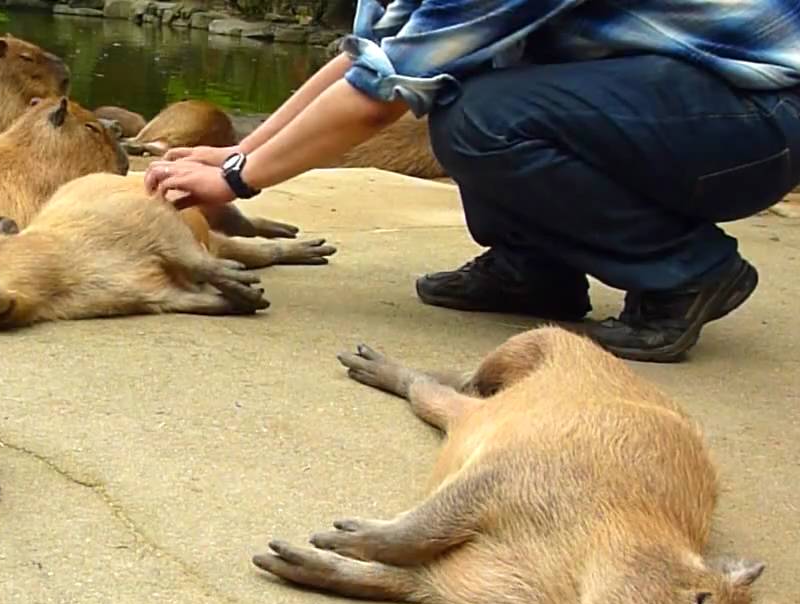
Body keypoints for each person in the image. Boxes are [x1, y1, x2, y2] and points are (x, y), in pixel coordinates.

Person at [143, 0, 800, 363]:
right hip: (681, 104)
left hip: (761, 120)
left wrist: (238, 180)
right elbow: (370, 62)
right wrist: (233, 154)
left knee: (480, 118)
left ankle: (685, 272)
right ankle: (536, 269)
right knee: (468, 90)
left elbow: (380, 99)